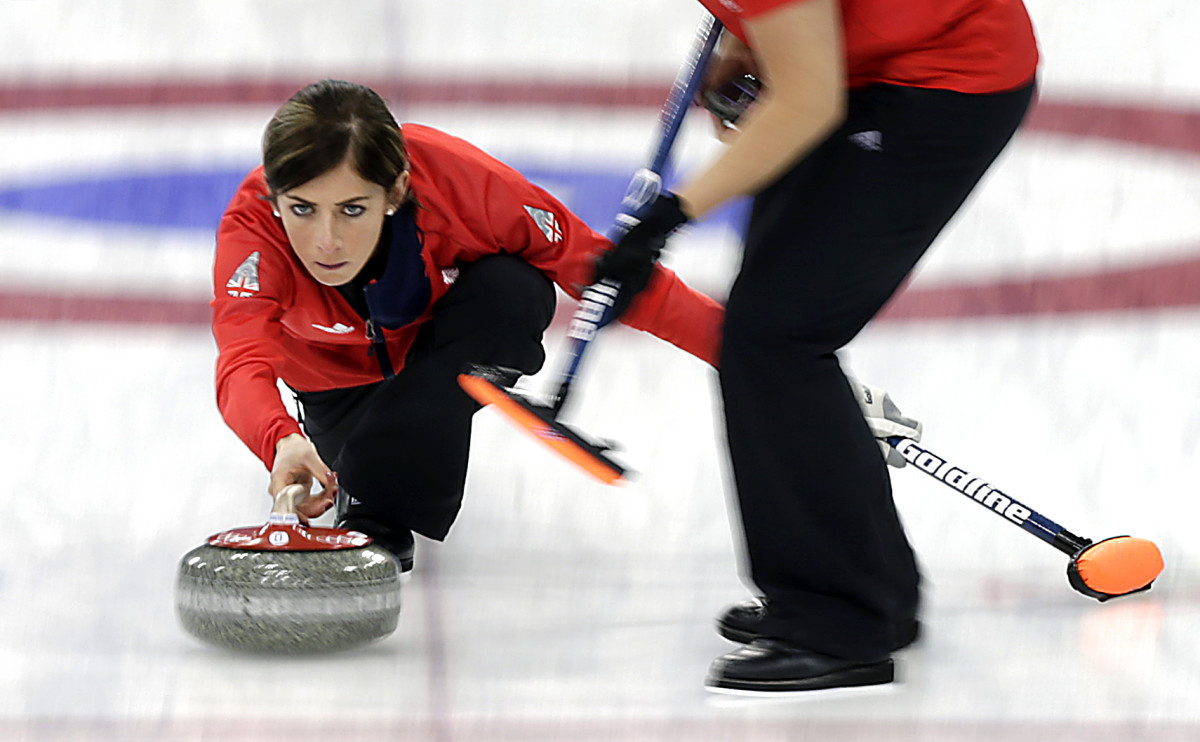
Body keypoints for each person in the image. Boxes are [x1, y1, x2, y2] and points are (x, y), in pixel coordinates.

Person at [593, 0, 1038, 694]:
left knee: (778, 338)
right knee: (766, 330)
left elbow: (806, 102)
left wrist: (670, 216)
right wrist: (748, 45)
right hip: (865, 67)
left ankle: (842, 623)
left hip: (938, 82)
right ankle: (868, 592)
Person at [211, 79, 725, 572]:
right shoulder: (252, 234)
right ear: (274, 196)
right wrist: (280, 440)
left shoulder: (458, 183)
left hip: (437, 348)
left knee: (515, 290)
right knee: (360, 463)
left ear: (397, 190)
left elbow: (601, 271)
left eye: (352, 209)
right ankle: (373, 469)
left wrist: (744, 351)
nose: (327, 241)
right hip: (334, 386)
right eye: (302, 209)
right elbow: (241, 363)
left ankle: (378, 493)